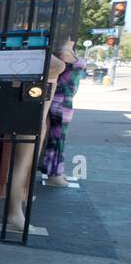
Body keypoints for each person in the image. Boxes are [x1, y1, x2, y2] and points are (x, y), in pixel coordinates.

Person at [38, 38, 85, 187]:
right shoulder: (63, 53)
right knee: (56, 138)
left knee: (59, 137)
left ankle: (56, 170)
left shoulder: (67, 51)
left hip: (65, 99)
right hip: (60, 100)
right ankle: (54, 173)